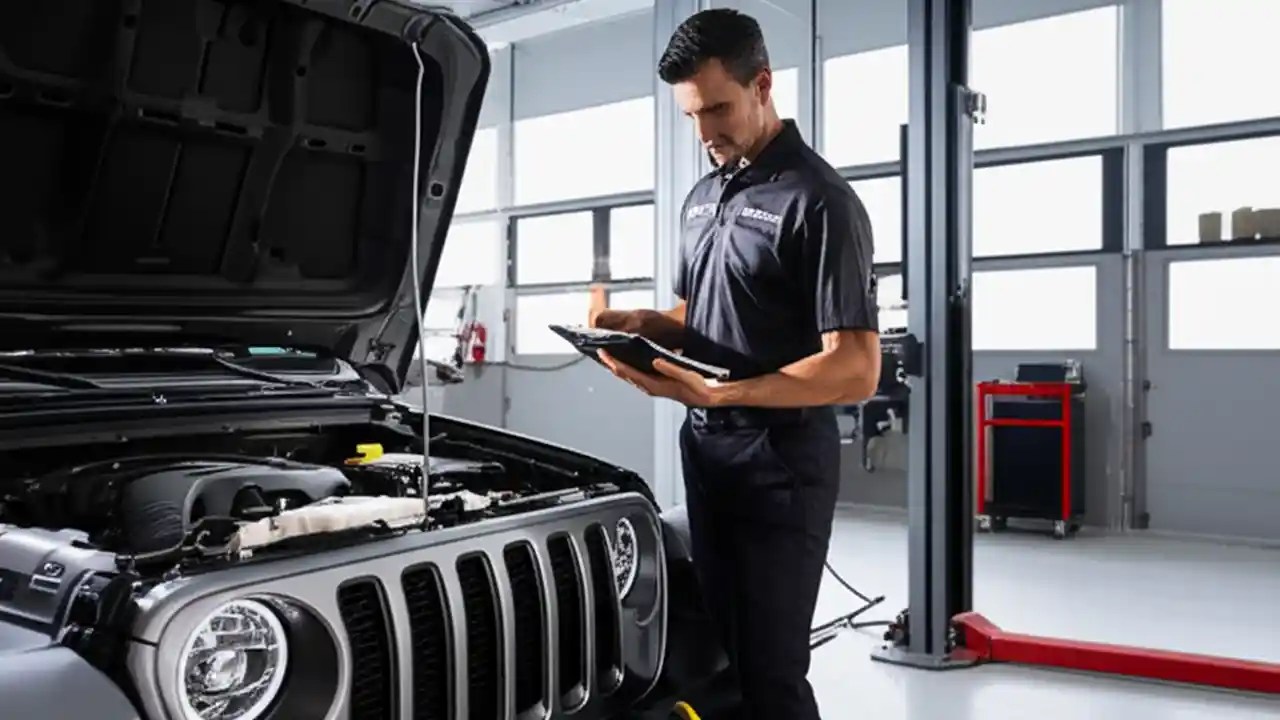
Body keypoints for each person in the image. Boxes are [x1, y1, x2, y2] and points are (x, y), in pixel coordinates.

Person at [588, 8, 882, 720]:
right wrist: (637, 324)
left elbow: (856, 368)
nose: (704, 133)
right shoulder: (702, 198)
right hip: (709, 456)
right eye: (691, 114)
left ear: (764, 85)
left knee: (771, 670)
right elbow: (702, 314)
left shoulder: (821, 202)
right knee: (714, 648)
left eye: (717, 109)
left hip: (780, 465)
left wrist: (727, 396)